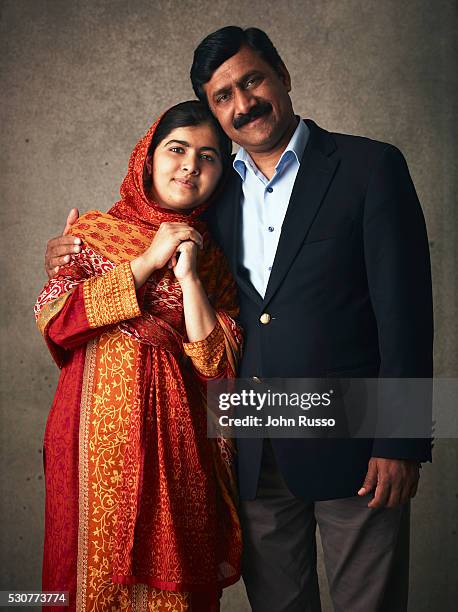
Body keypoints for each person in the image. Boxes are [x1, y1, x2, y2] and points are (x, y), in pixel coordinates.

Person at [45, 27, 434, 612]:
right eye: (223, 95)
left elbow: (408, 313)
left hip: (356, 441)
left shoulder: (369, 166)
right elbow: (135, 230)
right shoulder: (210, 195)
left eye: (252, 80)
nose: (243, 103)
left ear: (282, 76)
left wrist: (401, 442)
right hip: (249, 445)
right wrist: (68, 251)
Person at [36, 100, 243, 612]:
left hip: (180, 442)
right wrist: (150, 260)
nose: (190, 165)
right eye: (176, 149)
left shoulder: (216, 258)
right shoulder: (90, 233)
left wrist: (189, 275)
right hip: (92, 437)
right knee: (89, 576)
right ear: (147, 157)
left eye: (209, 156)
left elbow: (218, 366)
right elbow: (57, 318)